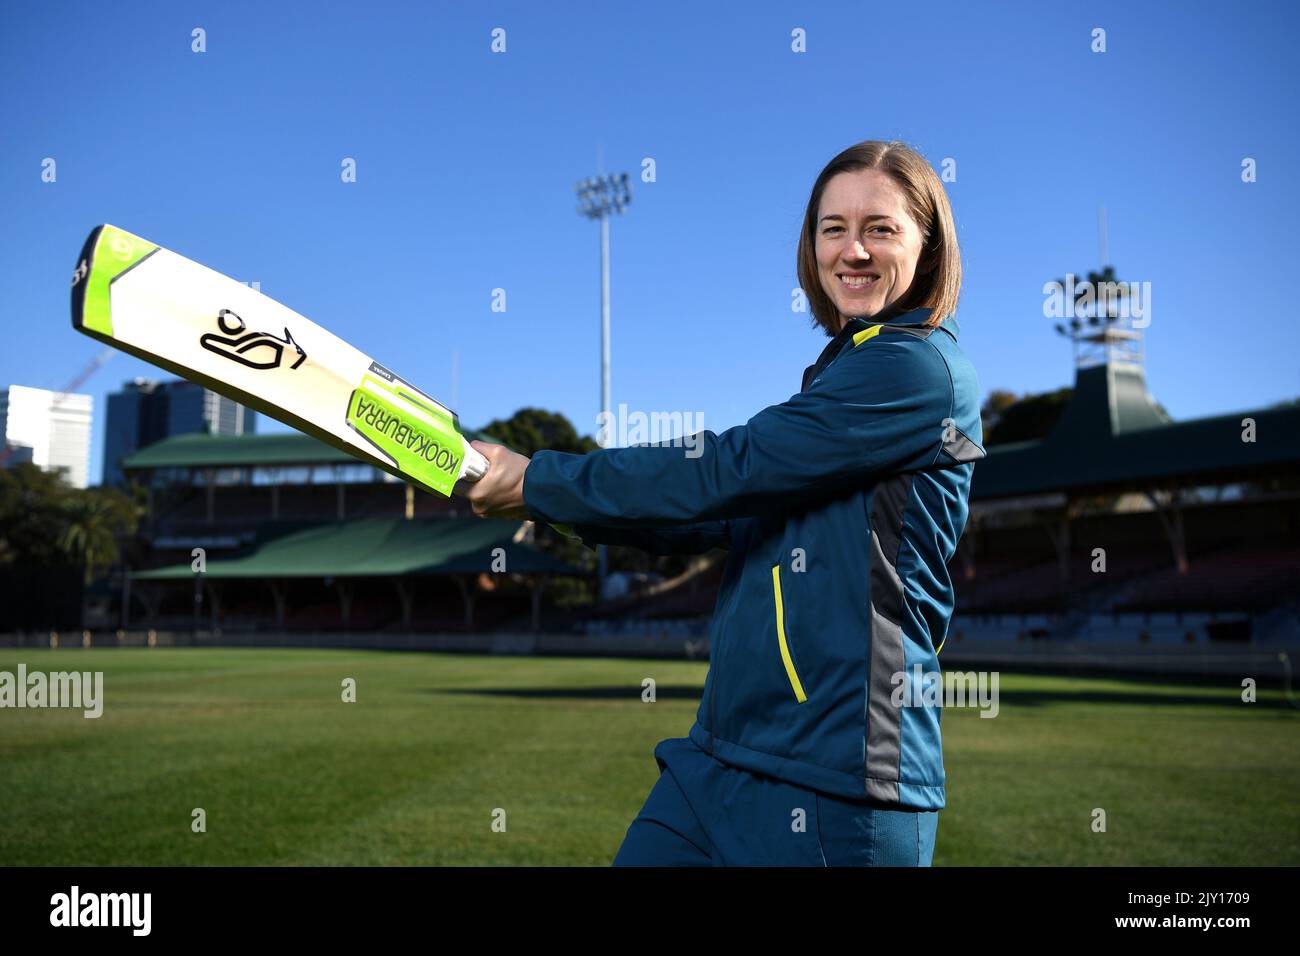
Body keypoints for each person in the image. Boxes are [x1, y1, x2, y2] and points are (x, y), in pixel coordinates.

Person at [466, 140, 984, 866]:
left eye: (881, 228)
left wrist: (539, 478)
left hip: (839, 784)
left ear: (927, 246)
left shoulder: (919, 369)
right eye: (832, 228)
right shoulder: (843, 376)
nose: (853, 250)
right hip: (716, 760)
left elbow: (727, 469)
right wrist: (539, 499)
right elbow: (714, 512)